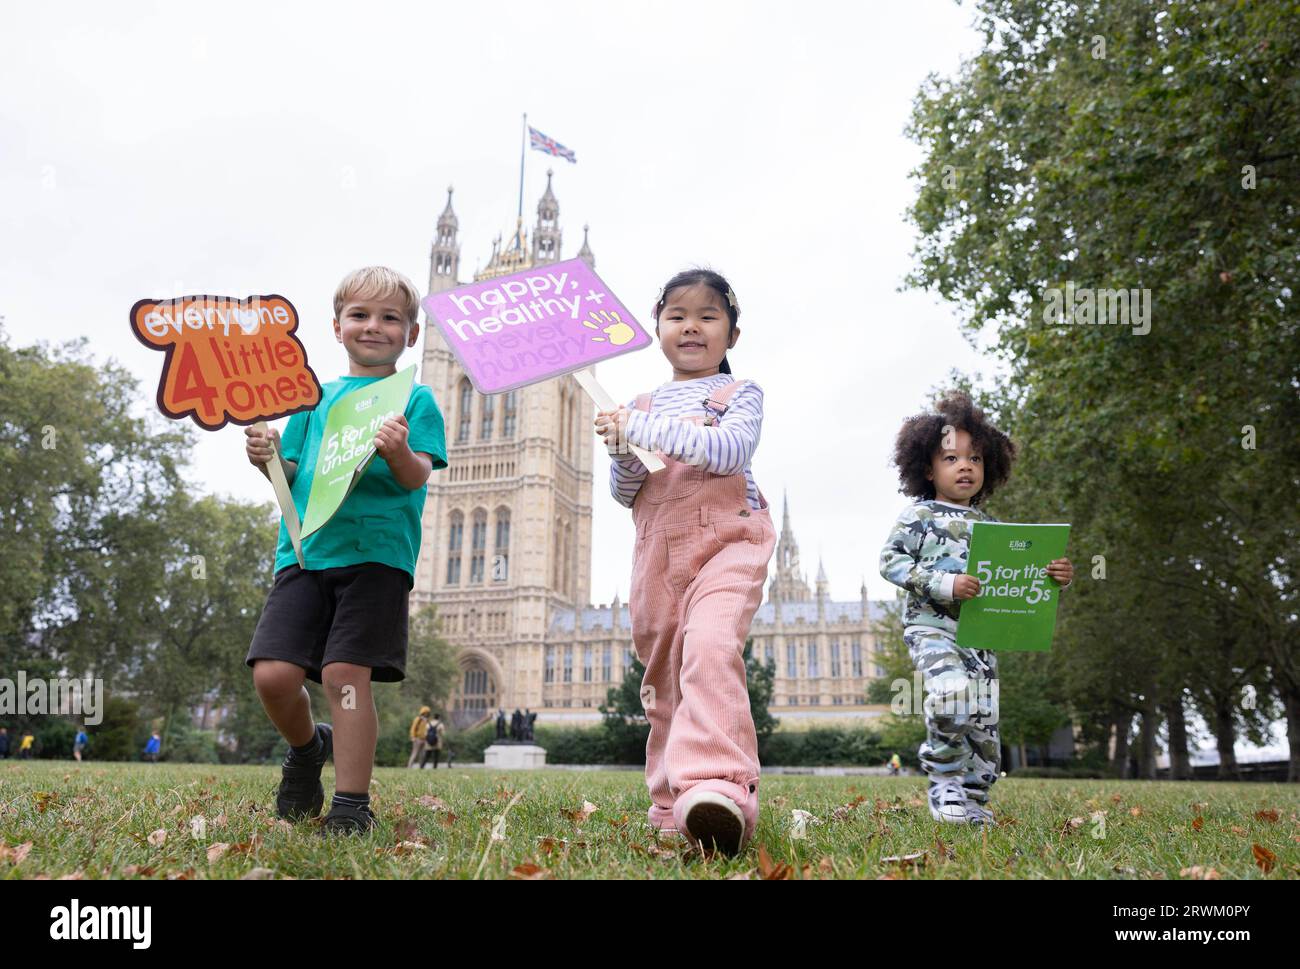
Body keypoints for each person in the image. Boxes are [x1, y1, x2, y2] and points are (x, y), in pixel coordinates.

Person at [243, 267, 448, 835]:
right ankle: (309, 749)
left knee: (344, 677)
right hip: (305, 553)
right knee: (273, 675)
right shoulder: (311, 399)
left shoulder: (416, 398)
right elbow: (291, 474)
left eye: (390, 318)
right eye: (360, 315)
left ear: (411, 335)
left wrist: (399, 450)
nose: (373, 326)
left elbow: (416, 476)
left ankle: (353, 804)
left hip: (377, 557)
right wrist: (268, 458)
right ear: (336, 327)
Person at [593, 268, 775, 857]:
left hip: (727, 543)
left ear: (732, 334)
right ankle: (675, 802)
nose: (691, 326)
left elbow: (727, 452)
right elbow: (628, 492)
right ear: (657, 329)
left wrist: (638, 427)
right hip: (658, 551)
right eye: (676, 315)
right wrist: (622, 449)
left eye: (707, 315)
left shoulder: (738, 394)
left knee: (711, 647)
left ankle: (721, 785)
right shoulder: (636, 404)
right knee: (663, 676)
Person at [879, 391, 1072, 825]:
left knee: (985, 727)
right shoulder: (919, 517)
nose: (965, 466)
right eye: (951, 459)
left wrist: (1055, 578)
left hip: (982, 638)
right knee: (951, 693)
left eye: (976, 459)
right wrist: (945, 583)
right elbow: (891, 563)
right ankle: (944, 780)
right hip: (933, 630)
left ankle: (973, 801)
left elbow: (1019, 583)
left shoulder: (994, 528)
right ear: (927, 469)